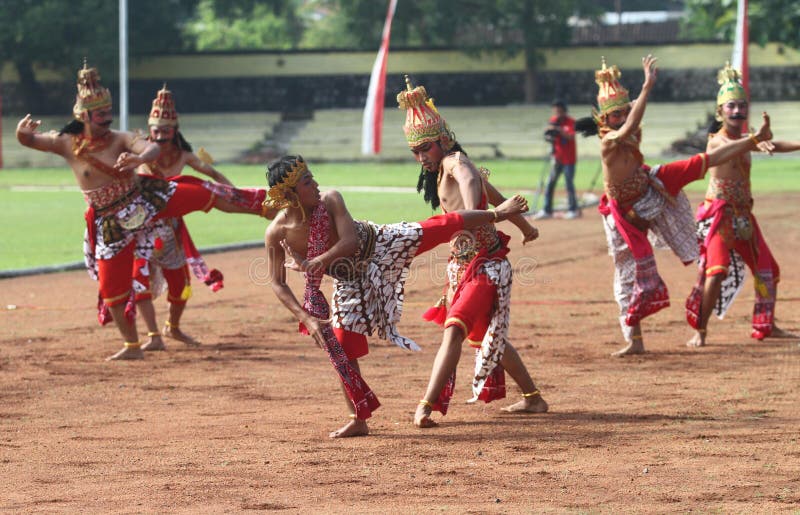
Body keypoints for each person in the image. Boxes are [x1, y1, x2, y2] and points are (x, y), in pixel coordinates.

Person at [15, 62, 272, 361]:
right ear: (83, 116)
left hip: (146, 199)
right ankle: (133, 345)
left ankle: (267, 208)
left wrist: (138, 160)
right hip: (111, 221)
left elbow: (149, 149)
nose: (107, 119)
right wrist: (22, 133)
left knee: (204, 193)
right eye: (100, 115)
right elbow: (30, 141)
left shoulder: (121, 138)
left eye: (108, 113)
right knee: (112, 291)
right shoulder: (65, 143)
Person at [263, 155, 530, 438]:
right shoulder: (276, 233)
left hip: (381, 244)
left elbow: (350, 241)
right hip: (349, 279)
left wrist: (315, 263)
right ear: (290, 195)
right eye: (307, 181)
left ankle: (497, 214)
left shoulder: (330, 199)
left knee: (440, 225)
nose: (316, 184)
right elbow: (277, 283)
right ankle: (358, 419)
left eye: (312, 177)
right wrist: (307, 319)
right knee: (341, 347)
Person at [577, 55, 774, 357]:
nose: (623, 117)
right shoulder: (610, 141)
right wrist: (646, 87)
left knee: (698, 163)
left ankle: (755, 320)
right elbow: (629, 126)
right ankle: (635, 338)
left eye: (624, 111)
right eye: (615, 114)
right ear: (604, 120)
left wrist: (753, 141)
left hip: (649, 185)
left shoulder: (627, 128)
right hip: (624, 213)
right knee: (629, 274)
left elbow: (634, 119)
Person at [396, 76, 549, 429]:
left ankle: (425, 406)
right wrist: (525, 228)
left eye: (425, 148)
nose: (421, 157)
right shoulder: (444, 169)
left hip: (486, 266)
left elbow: (467, 178)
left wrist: (472, 213)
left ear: (444, 140)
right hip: (462, 266)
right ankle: (533, 398)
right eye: (415, 152)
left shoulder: (455, 161)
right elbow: (495, 195)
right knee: (485, 337)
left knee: (454, 330)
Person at [134, 85, 263, 351]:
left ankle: (173, 327)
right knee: (139, 278)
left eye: (166, 130)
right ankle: (152, 335)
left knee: (180, 284)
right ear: (149, 130)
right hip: (143, 229)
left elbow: (212, 174)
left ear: (175, 130)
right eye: (156, 130)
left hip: (171, 229)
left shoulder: (184, 156)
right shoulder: (141, 152)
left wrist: (235, 194)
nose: (160, 136)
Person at [686, 64, 800, 346]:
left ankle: (766, 324)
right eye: (731, 106)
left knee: (768, 271)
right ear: (720, 112)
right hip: (719, 216)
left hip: (744, 216)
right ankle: (700, 331)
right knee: (716, 272)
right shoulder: (716, 143)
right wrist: (755, 140)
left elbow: (772, 144)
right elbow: (732, 149)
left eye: (741, 106)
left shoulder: (746, 140)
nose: (737, 111)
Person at [533, 99, 579, 220]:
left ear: (564, 111)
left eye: (559, 111)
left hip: (569, 159)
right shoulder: (553, 121)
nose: (557, 114)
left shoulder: (571, 122)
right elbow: (548, 135)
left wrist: (559, 130)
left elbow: (570, 136)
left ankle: (573, 209)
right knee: (550, 183)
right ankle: (547, 210)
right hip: (557, 158)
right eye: (555, 111)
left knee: (569, 184)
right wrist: (548, 134)